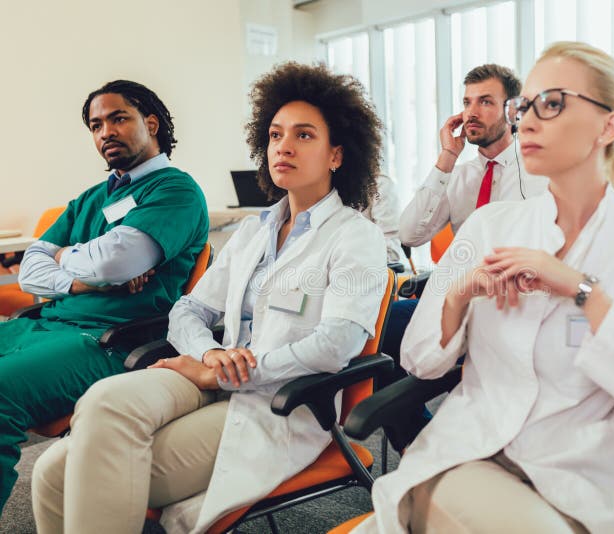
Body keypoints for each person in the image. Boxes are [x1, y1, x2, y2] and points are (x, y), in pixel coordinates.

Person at [355, 41, 614, 534]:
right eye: (524, 106)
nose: (525, 121)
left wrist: (582, 290)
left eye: (551, 104)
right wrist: (459, 296)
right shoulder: (486, 227)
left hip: (584, 481)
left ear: (608, 126)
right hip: (467, 457)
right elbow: (420, 362)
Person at [31, 62, 388, 534]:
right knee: (71, 441)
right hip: (212, 377)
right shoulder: (252, 231)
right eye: (276, 134)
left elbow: (336, 344)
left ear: (337, 155)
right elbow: (190, 309)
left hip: (278, 403)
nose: (283, 146)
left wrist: (228, 370)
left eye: (304, 136)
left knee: (77, 471)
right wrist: (208, 354)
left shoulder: (354, 237)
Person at [0, 80, 208, 516]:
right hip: (48, 322)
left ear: (150, 124)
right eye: (96, 125)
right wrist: (80, 278)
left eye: (118, 118)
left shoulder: (175, 191)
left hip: (109, 341)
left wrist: (67, 257)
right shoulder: (91, 198)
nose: (105, 132)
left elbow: (115, 263)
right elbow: (31, 268)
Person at [385, 64, 548, 384]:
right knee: (387, 328)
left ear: (513, 111)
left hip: (511, 302)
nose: (471, 112)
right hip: (459, 296)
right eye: (467, 102)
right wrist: (447, 157)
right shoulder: (457, 176)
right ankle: (414, 428)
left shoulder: (537, 173)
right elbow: (410, 233)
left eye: (485, 102)